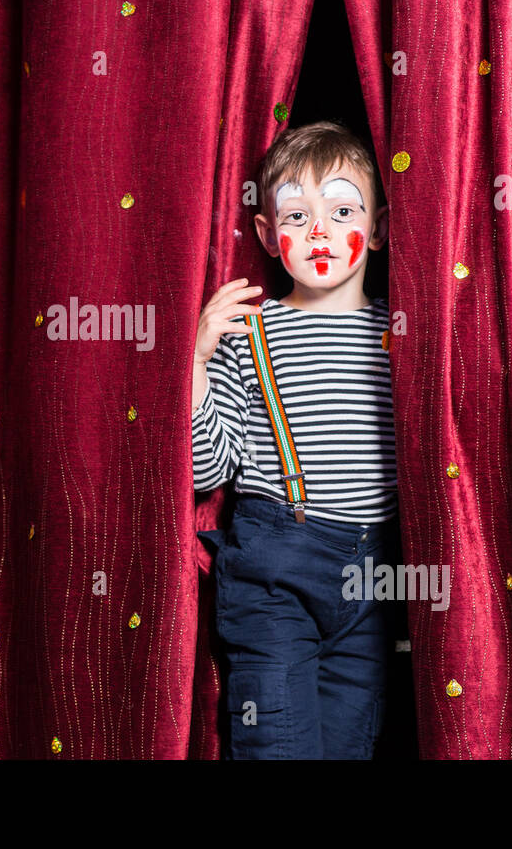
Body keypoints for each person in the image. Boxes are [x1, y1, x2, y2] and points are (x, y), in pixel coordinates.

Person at [191, 120, 398, 759]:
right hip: (275, 573)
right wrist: (196, 363)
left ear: (381, 229)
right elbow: (206, 470)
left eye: (342, 211)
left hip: (375, 580)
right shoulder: (249, 335)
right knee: (276, 748)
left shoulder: (403, 333)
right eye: (297, 215)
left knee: (347, 749)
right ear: (264, 235)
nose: (319, 232)